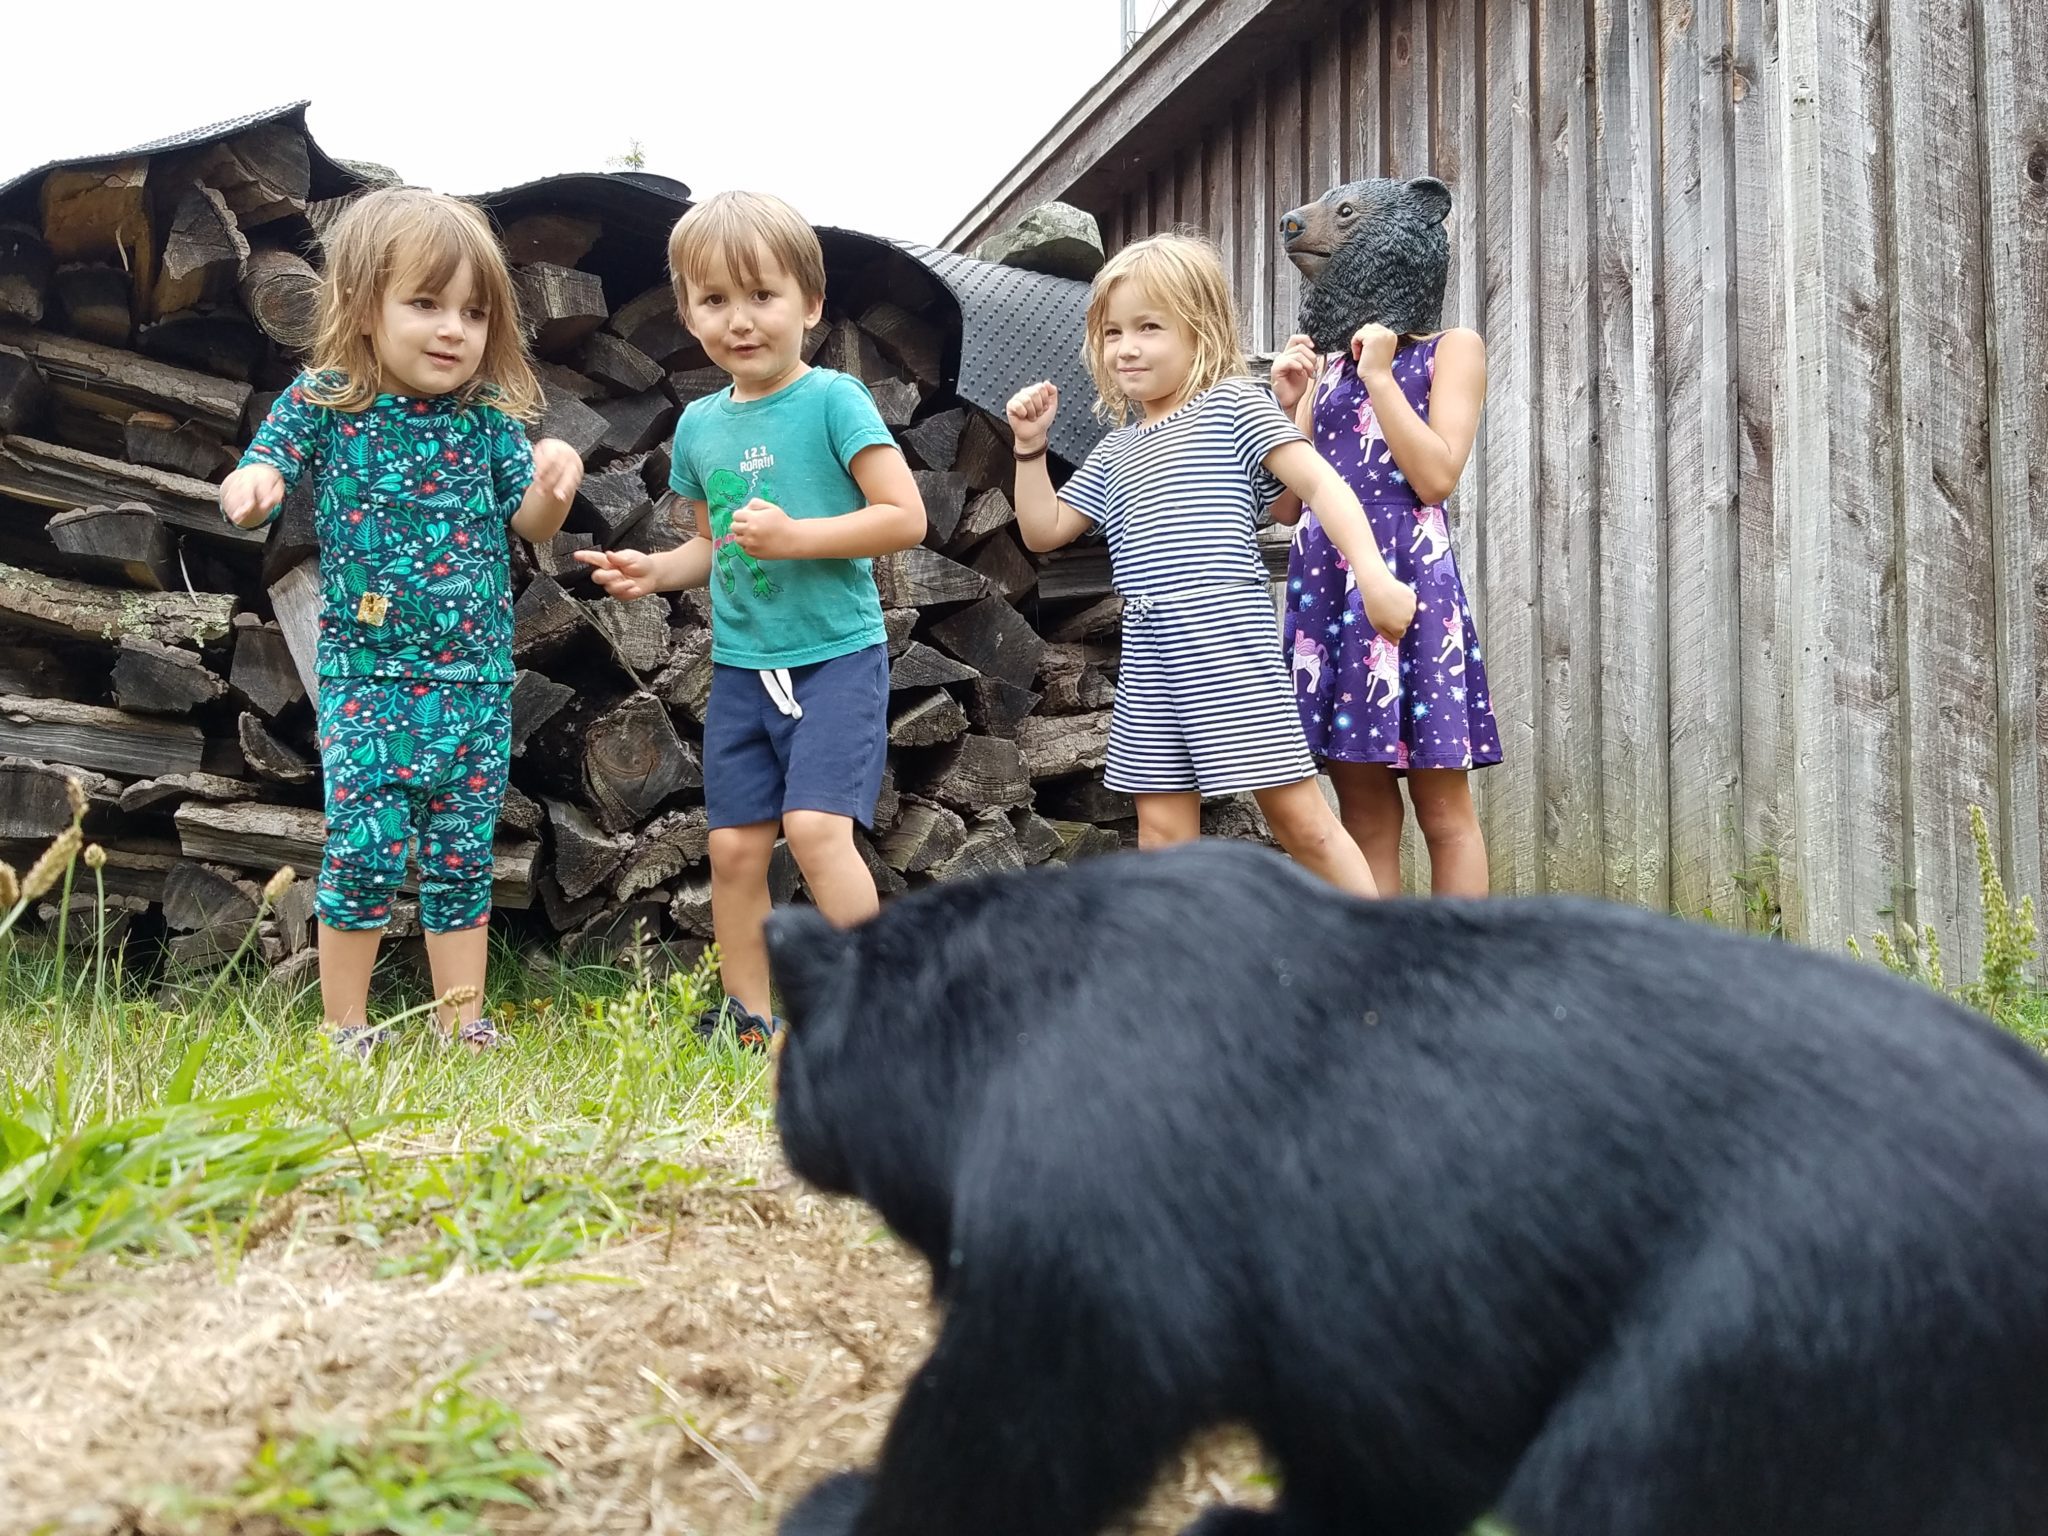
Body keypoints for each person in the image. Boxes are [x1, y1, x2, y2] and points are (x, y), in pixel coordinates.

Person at [219, 187, 583, 1052]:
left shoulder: (489, 420)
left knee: (462, 852)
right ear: (363, 305)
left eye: (473, 312)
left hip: (476, 677)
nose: (453, 329)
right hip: (368, 672)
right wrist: (251, 490)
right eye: (425, 304)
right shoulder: (329, 397)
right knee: (366, 848)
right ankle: (345, 1029)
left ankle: (464, 1026)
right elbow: (260, 467)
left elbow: (528, 524)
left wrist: (554, 483)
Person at [576, 191, 925, 1045]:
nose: (740, 320)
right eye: (714, 301)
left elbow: (904, 517)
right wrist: (657, 570)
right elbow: (713, 546)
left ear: (808, 305)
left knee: (813, 828)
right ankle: (749, 1019)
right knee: (733, 850)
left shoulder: (835, 401)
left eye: (761, 297)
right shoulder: (699, 425)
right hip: (741, 666)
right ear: (688, 312)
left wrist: (800, 535)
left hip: (836, 656)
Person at [1004, 231, 1414, 895]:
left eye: (1149, 327)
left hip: (1226, 634)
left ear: (1200, 332)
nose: (1127, 347)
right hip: (1151, 648)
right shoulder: (1114, 452)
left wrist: (1373, 574)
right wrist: (1029, 449)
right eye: (1112, 333)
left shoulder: (1234, 406)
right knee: (1165, 840)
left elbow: (1319, 487)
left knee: (1300, 823)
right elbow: (1044, 530)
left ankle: (1378, 967)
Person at [1268, 314, 1497, 896]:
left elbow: (1436, 478)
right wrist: (1290, 403)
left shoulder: (1453, 348)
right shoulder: (1331, 364)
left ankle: (1460, 977)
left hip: (1408, 579)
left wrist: (1379, 375)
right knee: (1363, 807)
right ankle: (1379, 976)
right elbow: (1288, 507)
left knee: (1442, 806)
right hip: (1329, 586)